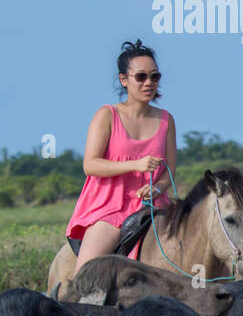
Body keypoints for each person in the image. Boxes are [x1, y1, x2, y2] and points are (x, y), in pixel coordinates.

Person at [64, 40, 178, 272]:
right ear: (124, 80)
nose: (149, 83)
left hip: (154, 206)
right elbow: (91, 165)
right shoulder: (107, 115)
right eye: (141, 77)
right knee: (86, 274)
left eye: (155, 77)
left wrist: (157, 188)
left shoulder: (166, 119)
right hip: (111, 207)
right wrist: (135, 164)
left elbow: (169, 172)